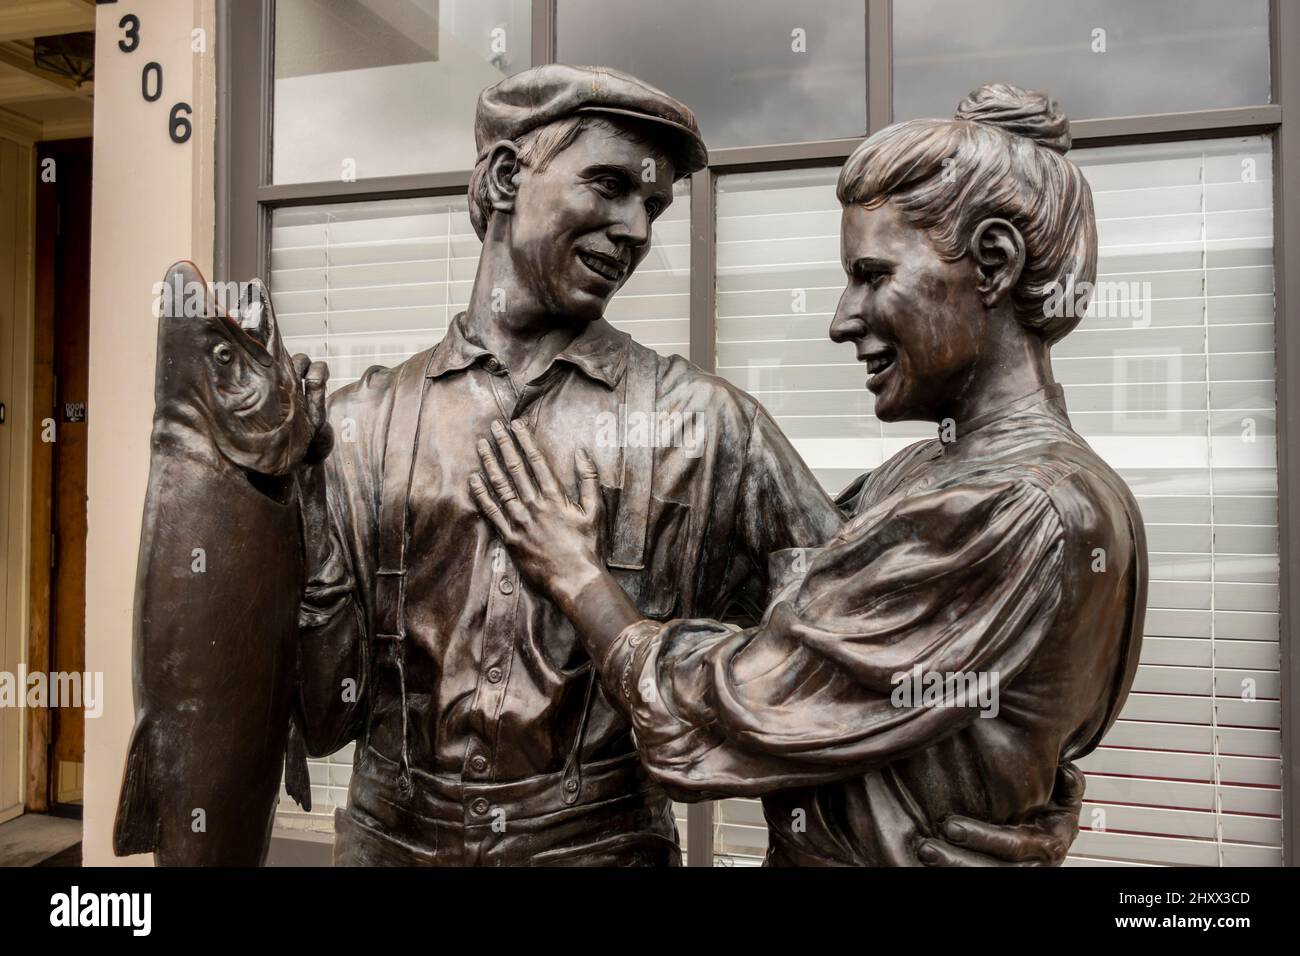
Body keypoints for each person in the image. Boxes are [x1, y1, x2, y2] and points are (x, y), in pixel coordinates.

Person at [468, 83, 1146, 866]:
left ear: (993, 263)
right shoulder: (929, 473)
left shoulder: (1013, 503)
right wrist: (1032, 789)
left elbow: (745, 705)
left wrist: (573, 571)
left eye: (872, 274)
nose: (841, 318)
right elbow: (921, 694)